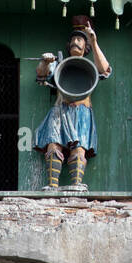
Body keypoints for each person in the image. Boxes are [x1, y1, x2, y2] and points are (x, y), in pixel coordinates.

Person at [34, 23, 110, 192]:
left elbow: (104, 70)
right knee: (53, 146)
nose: (76, 41)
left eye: (80, 39)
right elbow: (41, 74)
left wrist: (94, 40)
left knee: (79, 149)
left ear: (86, 46)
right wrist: (45, 62)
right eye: (74, 39)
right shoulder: (60, 64)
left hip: (81, 112)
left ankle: (76, 184)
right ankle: (52, 185)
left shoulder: (89, 66)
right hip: (60, 111)